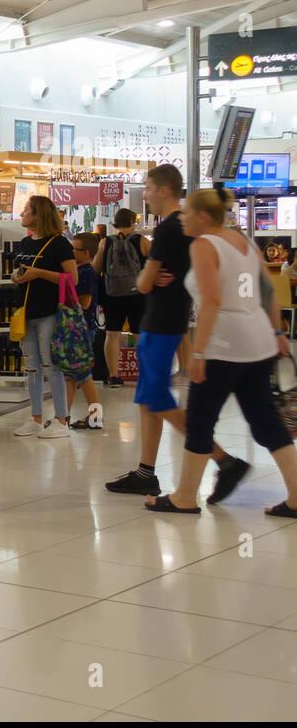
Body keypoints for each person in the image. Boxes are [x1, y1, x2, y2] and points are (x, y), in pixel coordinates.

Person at [146, 188, 297, 517]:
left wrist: (198, 354)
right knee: (266, 420)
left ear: (202, 216)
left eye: (186, 213)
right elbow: (267, 291)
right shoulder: (243, 241)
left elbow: (212, 301)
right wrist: (276, 332)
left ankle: (185, 496)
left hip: (224, 344)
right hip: (257, 341)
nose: (181, 218)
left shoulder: (204, 244)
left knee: (200, 421)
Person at [106, 165, 248, 497]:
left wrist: (148, 277)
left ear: (164, 190)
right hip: (171, 319)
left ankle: (224, 459)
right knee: (148, 399)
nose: (147, 196)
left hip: (159, 322)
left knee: (156, 399)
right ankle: (146, 471)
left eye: (149, 188)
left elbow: (141, 285)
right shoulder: (186, 229)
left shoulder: (170, 229)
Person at [11, 195, 77, 439]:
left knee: (52, 365)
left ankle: (62, 420)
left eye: (26, 210)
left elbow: (72, 279)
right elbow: (18, 272)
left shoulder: (59, 244)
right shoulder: (25, 243)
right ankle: (35, 417)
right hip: (25, 311)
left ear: (38, 215)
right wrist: (16, 277)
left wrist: (38, 273)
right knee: (32, 367)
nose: (22, 214)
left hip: (50, 311)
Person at [94, 208, 150, 386]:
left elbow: (96, 268)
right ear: (133, 222)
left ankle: (114, 376)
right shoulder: (142, 241)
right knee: (140, 335)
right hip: (138, 294)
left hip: (112, 294)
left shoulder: (105, 242)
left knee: (112, 334)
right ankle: (145, 375)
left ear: (115, 223)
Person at [65, 232, 103, 429]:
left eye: (75, 248)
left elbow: (86, 302)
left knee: (82, 375)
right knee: (72, 375)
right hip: (79, 327)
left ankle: (95, 416)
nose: (71, 251)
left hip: (82, 328)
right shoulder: (80, 269)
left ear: (86, 252)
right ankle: (63, 416)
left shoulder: (86, 272)